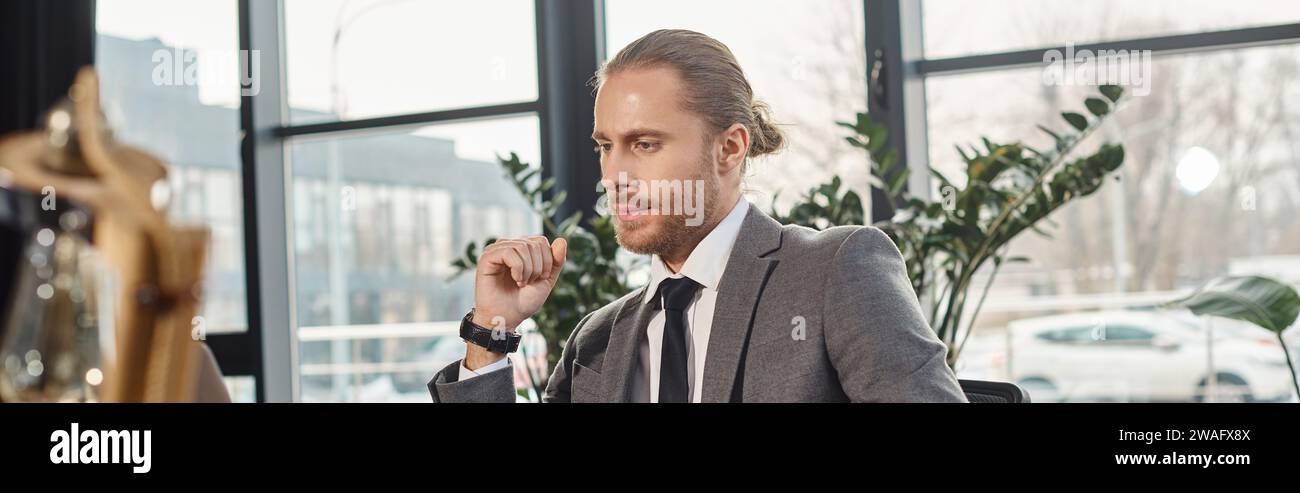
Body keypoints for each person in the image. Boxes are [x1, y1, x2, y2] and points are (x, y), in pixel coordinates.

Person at [427, 29, 966, 403]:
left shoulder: (833, 272)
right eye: (605, 147)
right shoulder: (598, 338)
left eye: (644, 144)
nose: (615, 176)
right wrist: (490, 333)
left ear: (729, 148)